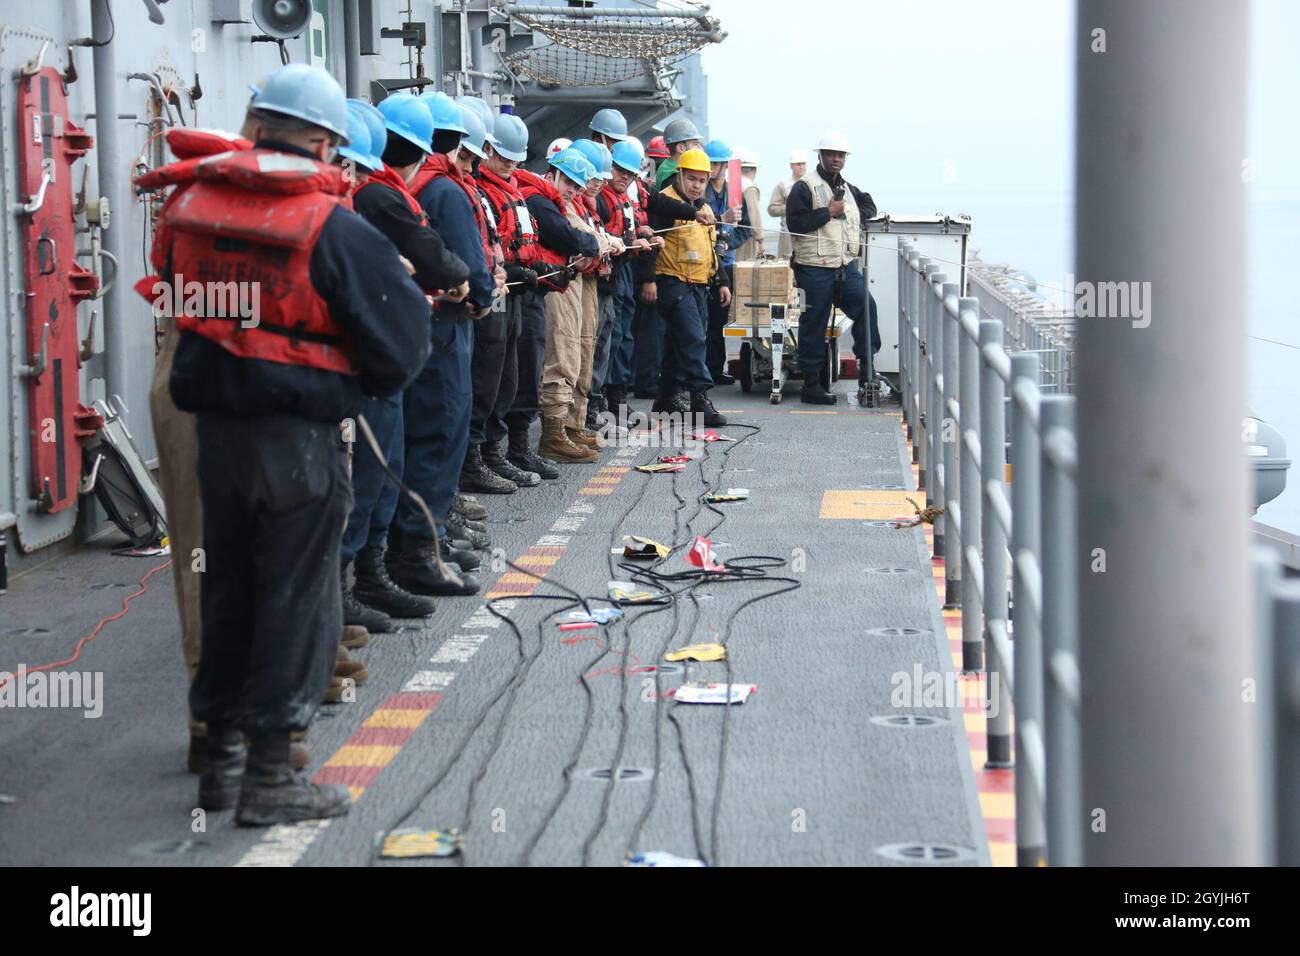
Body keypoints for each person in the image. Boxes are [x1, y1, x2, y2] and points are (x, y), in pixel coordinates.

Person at [158, 65, 431, 825]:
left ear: (252, 125)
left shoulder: (188, 206)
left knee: (227, 586)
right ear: (320, 141)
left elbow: (170, 284)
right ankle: (272, 776)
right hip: (300, 439)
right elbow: (403, 346)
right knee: (297, 595)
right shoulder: (331, 226)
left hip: (215, 432)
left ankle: (220, 758)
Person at [343, 96, 471, 632]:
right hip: (356, 364)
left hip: (380, 355)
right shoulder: (373, 201)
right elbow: (424, 251)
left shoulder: (364, 200)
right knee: (362, 475)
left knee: (384, 467)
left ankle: (371, 574)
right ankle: (351, 586)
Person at [385, 93, 493, 597]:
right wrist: (482, 293)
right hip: (445, 324)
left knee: (424, 434)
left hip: (418, 321)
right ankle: (419, 548)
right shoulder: (446, 191)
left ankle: (427, 538)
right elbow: (467, 262)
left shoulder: (404, 189)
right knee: (439, 431)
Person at [476, 112, 562, 483]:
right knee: (490, 375)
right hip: (497, 294)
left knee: (520, 371)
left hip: (524, 293)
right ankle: (487, 454)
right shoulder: (481, 193)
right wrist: (511, 272)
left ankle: (515, 448)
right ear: (486, 149)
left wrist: (541, 267)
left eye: (514, 159)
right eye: (502, 156)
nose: (509, 164)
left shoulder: (515, 192)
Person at [515, 149, 602, 462]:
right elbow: (570, 237)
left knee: (574, 352)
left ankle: (565, 429)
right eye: (567, 181)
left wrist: (591, 243)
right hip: (550, 288)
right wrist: (594, 244)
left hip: (559, 281)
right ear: (551, 174)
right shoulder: (539, 200)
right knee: (561, 354)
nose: (571, 190)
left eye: (576, 187)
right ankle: (552, 435)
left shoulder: (551, 201)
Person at [784, 131, 880, 405]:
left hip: (845, 267)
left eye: (840, 155)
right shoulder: (804, 187)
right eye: (831, 154)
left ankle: (867, 371)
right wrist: (829, 212)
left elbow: (868, 205)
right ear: (820, 156)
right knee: (812, 323)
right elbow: (796, 223)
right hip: (813, 269)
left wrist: (861, 215)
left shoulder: (848, 188)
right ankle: (811, 385)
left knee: (866, 307)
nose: (836, 159)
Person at [635, 148, 728, 427]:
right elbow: (651, 243)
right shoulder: (665, 203)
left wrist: (722, 280)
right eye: (691, 179)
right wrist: (648, 279)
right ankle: (699, 398)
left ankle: (666, 398)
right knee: (693, 338)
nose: (696, 185)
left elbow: (711, 249)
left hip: (699, 285)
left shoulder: (706, 210)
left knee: (678, 343)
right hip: (672, 282)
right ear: (679, 175)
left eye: (702, 181)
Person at [599, 138, 660, 421]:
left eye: (630, 173)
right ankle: (604, 400)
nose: (624, 177)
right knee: (607, 338)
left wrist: (641, 236)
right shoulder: (602, 199)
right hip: (608, 275)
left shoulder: (624, 199)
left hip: (623, 273)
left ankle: (617, 397)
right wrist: (634, 241)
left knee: (623, 337)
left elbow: (627, 232)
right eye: (619, 170)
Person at [702, 139, 750, 387]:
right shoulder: (700, 191)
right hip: (702, 261)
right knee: (701, 319)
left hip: (726, 262)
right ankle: (701, 370)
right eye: (708, 163)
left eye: (715, 164)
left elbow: (746, 229)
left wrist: (727, 242)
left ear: (723, 165)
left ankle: (715, 368)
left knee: (719, 319)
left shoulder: (735, 192)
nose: (711, 169)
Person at [768, 149, 808, 259]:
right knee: (786, 267)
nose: (801, 167)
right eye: (798, 164)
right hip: (788, 235)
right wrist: (791, 208)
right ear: (791, 165)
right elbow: (772, 209)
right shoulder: (783, 185)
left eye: (803, 164)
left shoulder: (812, 183)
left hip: (808, 235)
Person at [654, 117, 704, 189]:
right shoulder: (673, 177)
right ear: (681, 148)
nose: (700, 148)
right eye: (695, 144)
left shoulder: (668, 166)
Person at [735, 148, 766, 261]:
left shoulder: (731, 182)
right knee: (744, 270)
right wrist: (761, 240)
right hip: (745, 237)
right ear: (754, 169)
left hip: (731, 235)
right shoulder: (749, 187)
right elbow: (754, 215)